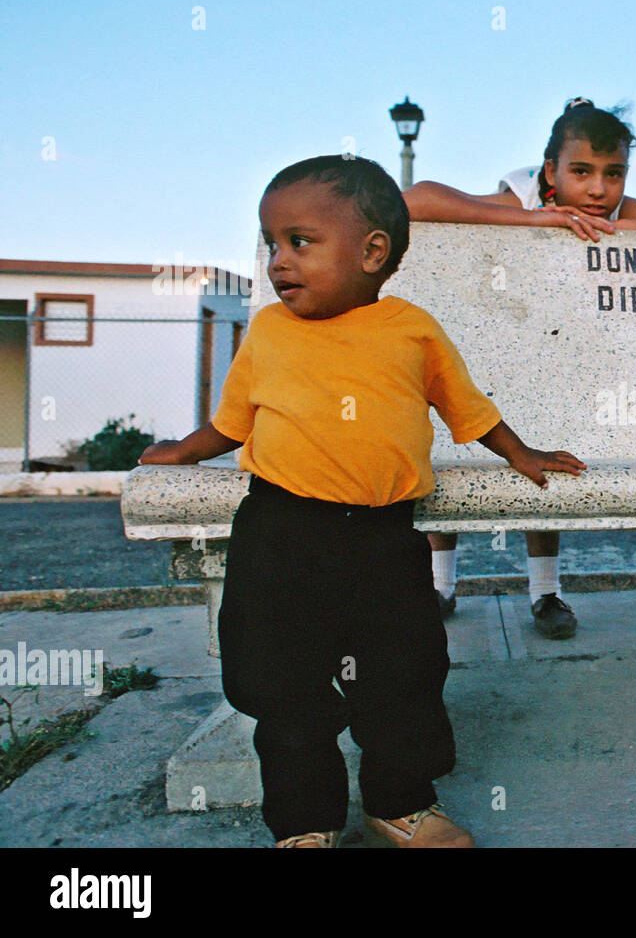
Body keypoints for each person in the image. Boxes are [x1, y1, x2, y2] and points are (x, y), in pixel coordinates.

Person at [139, 155, 585, 848]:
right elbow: (233, 421)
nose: (277, 262)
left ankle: (401, 803)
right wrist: (185, 450)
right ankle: (304, 824)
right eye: (271, 244)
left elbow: (465, 405)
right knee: (287, 688)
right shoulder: (269, 331)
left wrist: (519, 453)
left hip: (384, 538)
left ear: (373, 251)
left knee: (404, 674)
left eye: (300, 241)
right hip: (283, 533)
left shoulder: (412, 329)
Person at [404, 97, 636, 640]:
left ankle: (545, 592)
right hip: (480, 333)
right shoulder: (525, 194)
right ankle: (439, 586)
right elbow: (414, 200)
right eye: (581, 172)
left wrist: (625, 228)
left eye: (614, 174)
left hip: (551, 350)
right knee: (451, 451)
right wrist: (533, 219)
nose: (598, 189)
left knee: (543, 458)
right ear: (549, 172)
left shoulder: (614, 207)